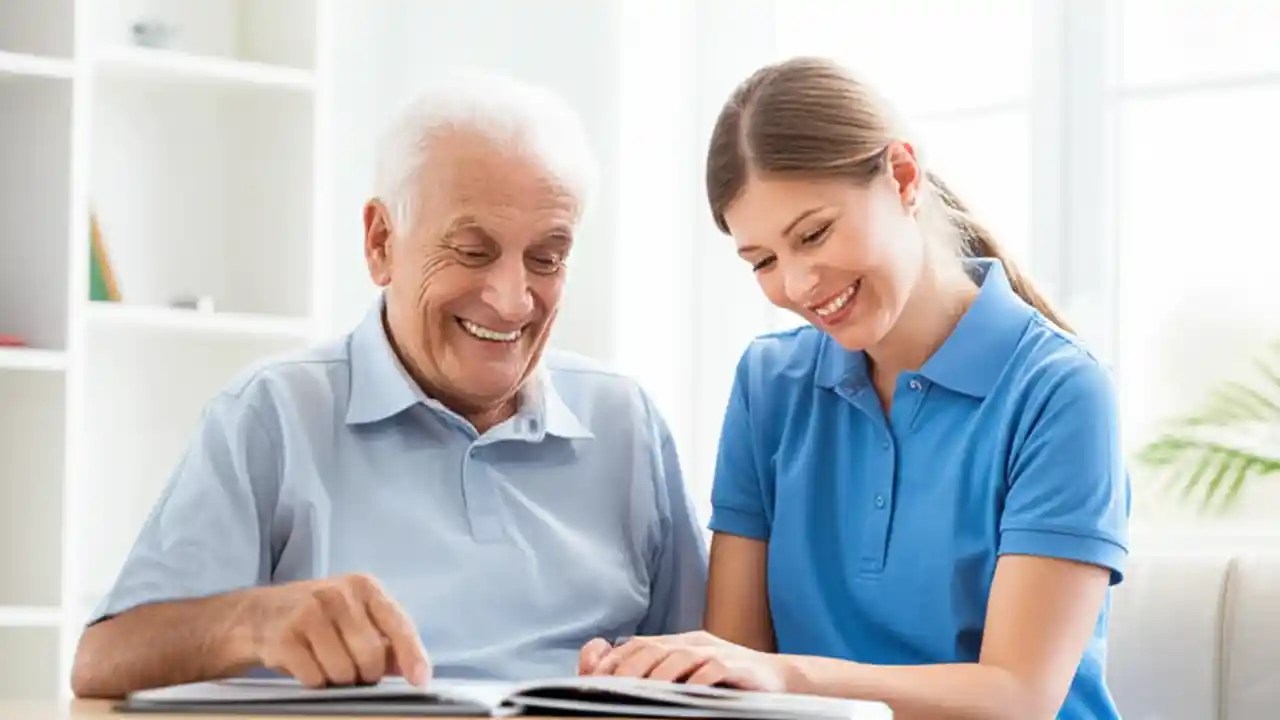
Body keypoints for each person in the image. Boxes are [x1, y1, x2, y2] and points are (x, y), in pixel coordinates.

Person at [71, 72, 707, 698]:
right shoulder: (273, 415)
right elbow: (103, 660)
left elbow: (712, 662)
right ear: (381, 243)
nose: (514, 302)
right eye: (472, 251)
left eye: (547, 258)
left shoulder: (627, 423)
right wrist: (253, 621)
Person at [579, 57, 1130, 720]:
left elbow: (1015, 698)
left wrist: (781, 677)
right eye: (763, 261)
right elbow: (736, 666)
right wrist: (655, 679)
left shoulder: (1060, 392)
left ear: (902, 177)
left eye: (814, 234)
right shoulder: (769, 385)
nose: (799, 284)